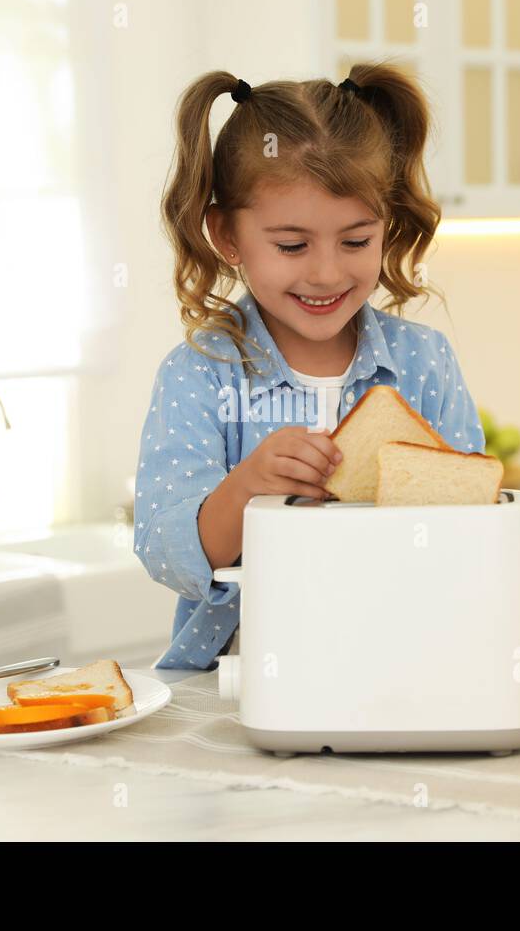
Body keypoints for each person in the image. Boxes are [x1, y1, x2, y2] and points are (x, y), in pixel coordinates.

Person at [136, 62, 486, 670]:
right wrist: (247, 487)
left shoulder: (423, 361)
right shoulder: (200, 373)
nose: (326, 273)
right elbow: (167, 552)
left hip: (404, 663)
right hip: (239, 675)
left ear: (388, 228)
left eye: (356, 242)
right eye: (292, 246)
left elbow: (473, 529)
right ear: (226, 236)